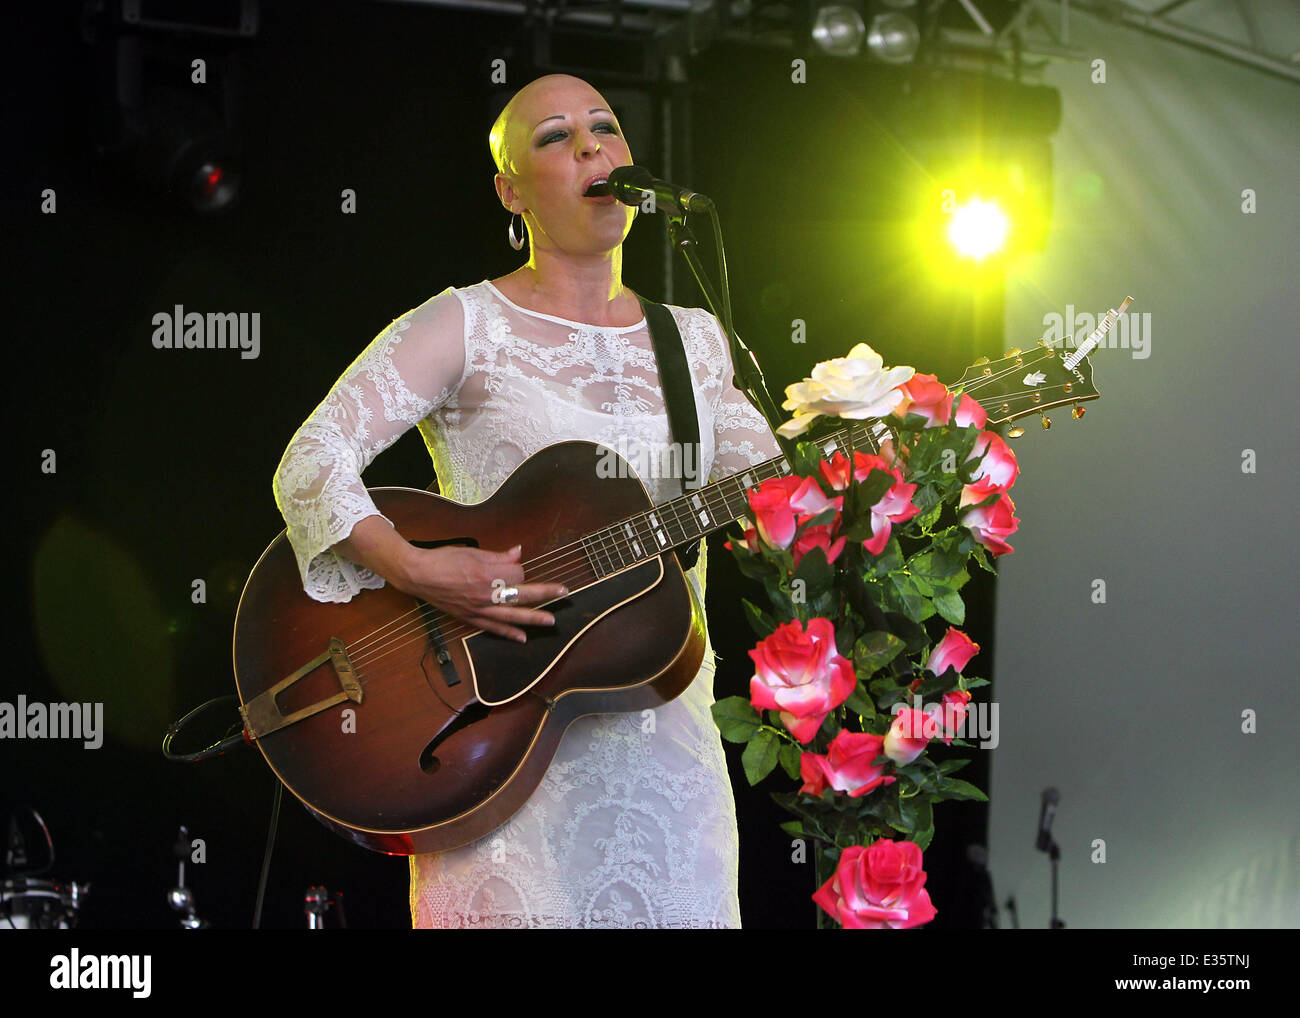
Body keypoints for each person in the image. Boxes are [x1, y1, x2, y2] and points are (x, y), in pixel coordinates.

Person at [272, 73, 782, 928]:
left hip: (667, 751)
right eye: (555, 136)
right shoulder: (465, 323)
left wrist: (883, 447)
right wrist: (419, 567)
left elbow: (777, 510)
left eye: (605, 127)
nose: (592, 148)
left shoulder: (691, 339)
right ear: (511, 192)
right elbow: (312, 460)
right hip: (496, 738)